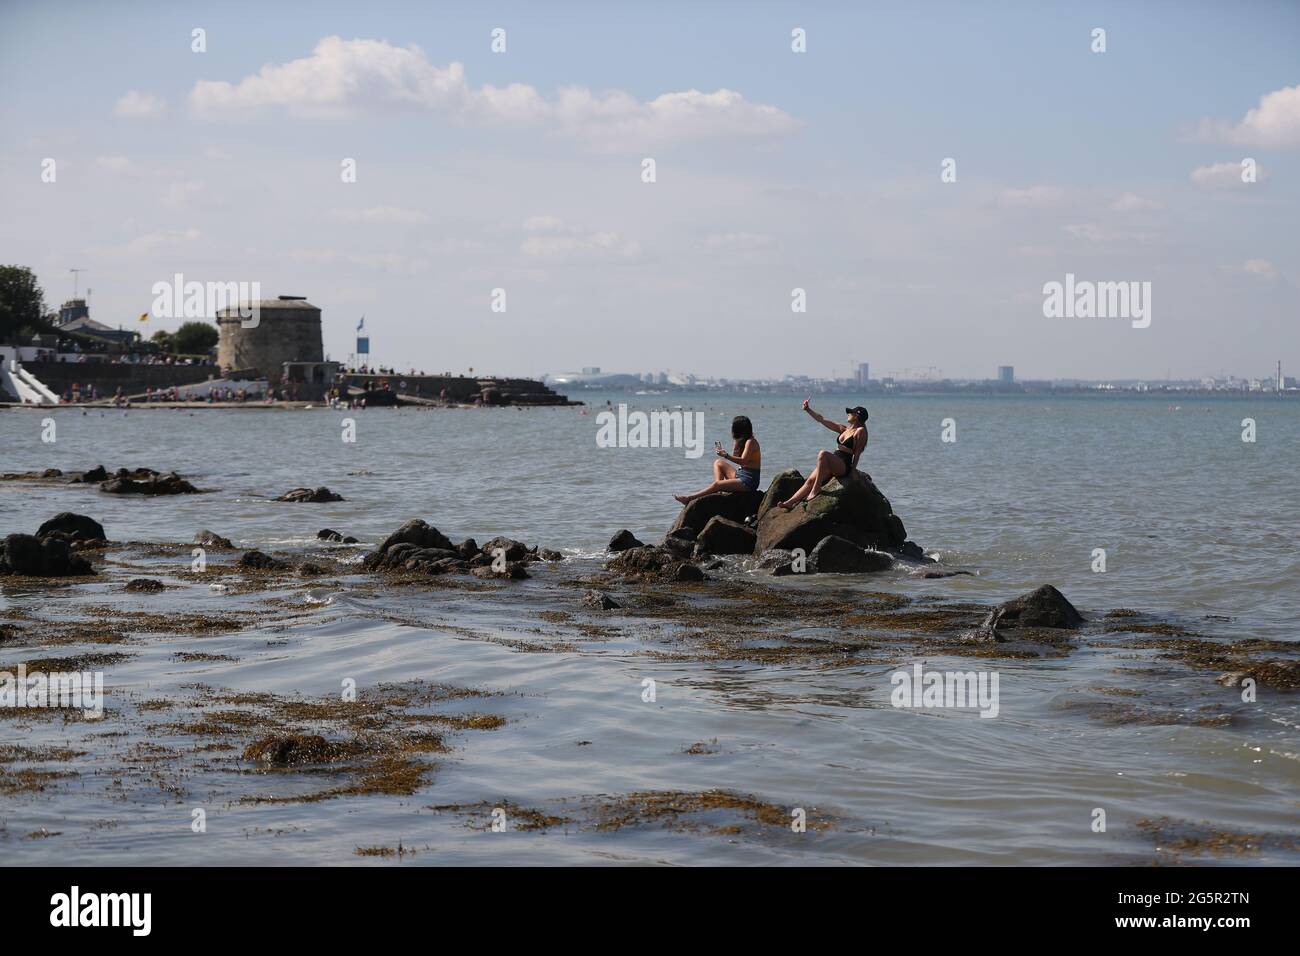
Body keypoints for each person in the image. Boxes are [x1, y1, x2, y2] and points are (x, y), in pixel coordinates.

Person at [778, 401, 868, 509]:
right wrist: (808, 409)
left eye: (851, 412)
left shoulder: (860, 431)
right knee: (810, 480)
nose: (848, 414)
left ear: (857, 416)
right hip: (834, 460)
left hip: (844, 464)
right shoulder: (844, 429)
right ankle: (789, 503)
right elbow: (822, 419)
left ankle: (816, 489)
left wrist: (853, 471)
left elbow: (857, 453)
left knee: (823, 454)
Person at [674, 415, 761, 504]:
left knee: (717, 484)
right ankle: (718, 491)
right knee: (718, 462)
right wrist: (736, 443)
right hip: (740, 475)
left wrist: (726, 455)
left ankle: (689, 498)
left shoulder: (751, 442)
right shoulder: (744, 442)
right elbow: (736, 456)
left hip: (749, 481)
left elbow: (743, 461)